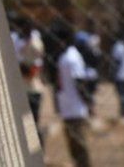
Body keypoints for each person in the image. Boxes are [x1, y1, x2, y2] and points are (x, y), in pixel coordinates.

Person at [51, 23, 91, 167]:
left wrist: (87, 103)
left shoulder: (72, 57)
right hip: (68, 107)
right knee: (73, 147)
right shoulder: (65, 56)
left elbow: (80, 81)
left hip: (75, 108)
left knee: (79, 145)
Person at [111, 35, 124, 119]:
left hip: (119, 75)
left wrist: (113, 73)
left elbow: (117, 61)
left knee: (121, 93)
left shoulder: (117, 47)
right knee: (123, 93)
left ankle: (123, 111)